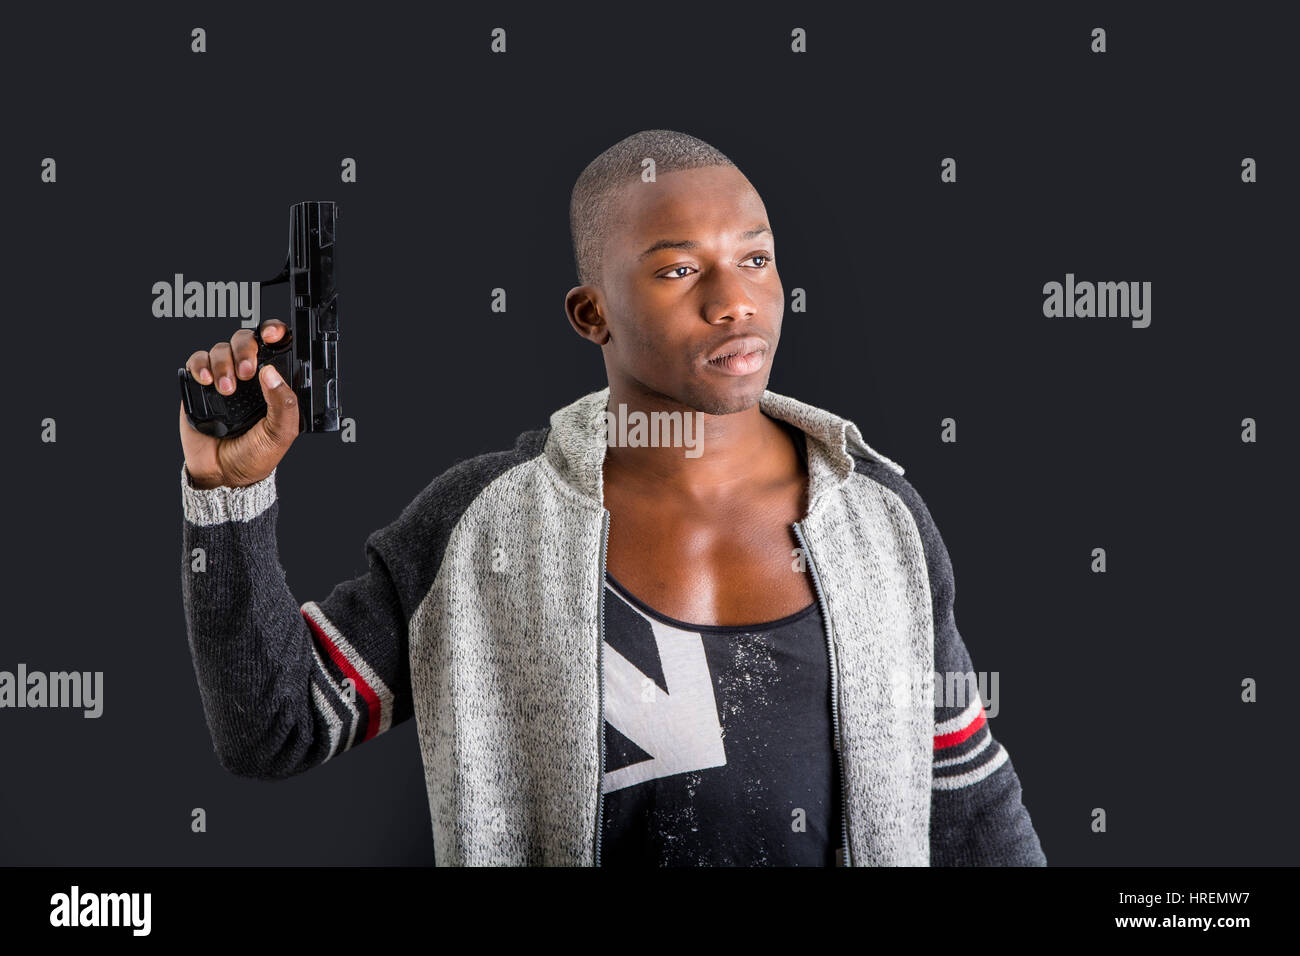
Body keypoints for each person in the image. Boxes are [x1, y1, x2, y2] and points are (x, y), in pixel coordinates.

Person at [178, 129, 1047, 867]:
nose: (733, 301)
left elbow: (965, 793)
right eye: (677, 271)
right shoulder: (484, 527)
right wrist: (228, 495)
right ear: (591, 314)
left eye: (754, 258)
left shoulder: (877, 513)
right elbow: (273, 729)